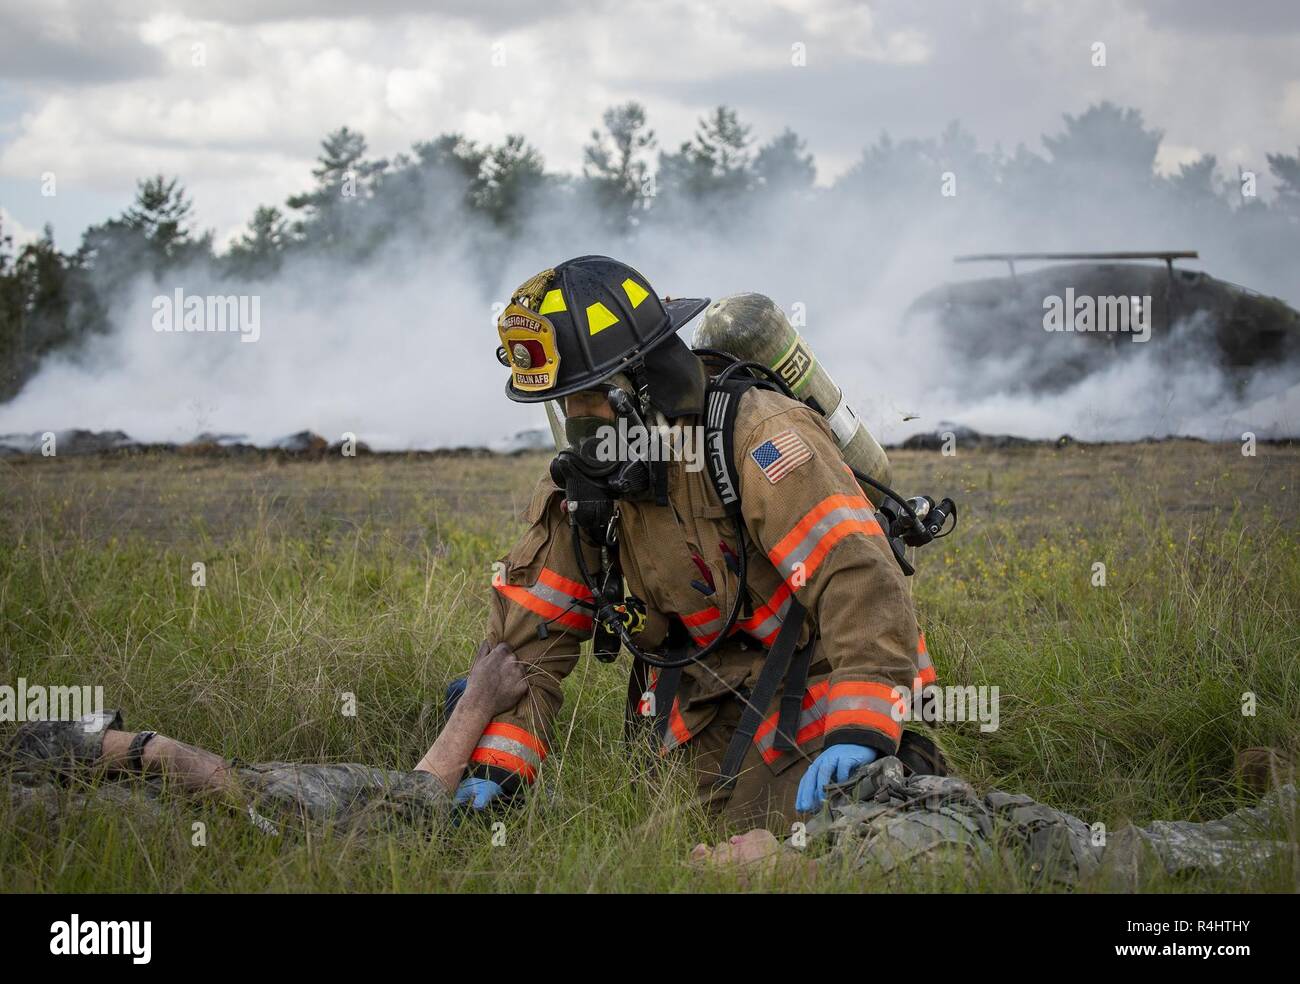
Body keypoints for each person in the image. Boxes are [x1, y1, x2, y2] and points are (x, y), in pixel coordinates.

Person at [459, 255, 943, 831]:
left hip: (820, 674)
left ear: (646, 382)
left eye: (590, 399)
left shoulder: (758, 436)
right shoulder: (587, 485)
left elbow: (857, 575)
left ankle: (903, 772)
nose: (577, 423)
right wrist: (495, 771)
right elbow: (532, 636)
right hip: (707, 697)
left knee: (810, 836)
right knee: (669, 837)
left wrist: (862, 728)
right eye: (564, 405)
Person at [7, 643, 527, 835]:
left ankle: (471, 720)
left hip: (193, 800)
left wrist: (157, 752)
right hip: (184, 822)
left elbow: (35, 741)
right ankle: (474, 714)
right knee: (388, 816)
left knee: (382, 805)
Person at [690, 752, 1299, 889]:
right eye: (722, 859)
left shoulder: (824, 849)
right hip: (1096, 865)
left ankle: (1278, 798)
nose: (720, 844)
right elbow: (949, 852)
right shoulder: (866, 870)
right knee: (1247, 861)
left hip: (1061, 834)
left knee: (1249, 823)